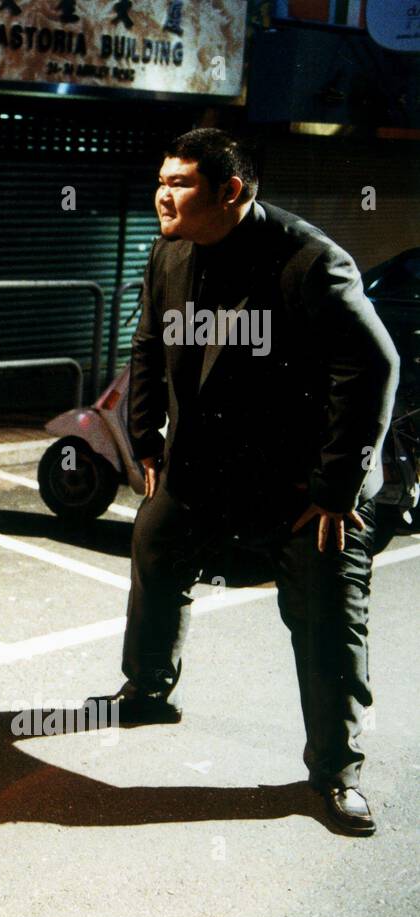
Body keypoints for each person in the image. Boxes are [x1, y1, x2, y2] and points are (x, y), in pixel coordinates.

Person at [94, 127, 400, 836]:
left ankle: (335, 771)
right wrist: (144, 436)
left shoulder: (309, 262)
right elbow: (148, 343)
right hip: (205, 468)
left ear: (231, 191)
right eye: (161, 180)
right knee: (156, 545)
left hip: (303, 488)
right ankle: (147, 688)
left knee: (326, 621)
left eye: (181, 184)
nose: (162, 195)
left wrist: (336, 486)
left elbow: (373, 367)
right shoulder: (169, 254)